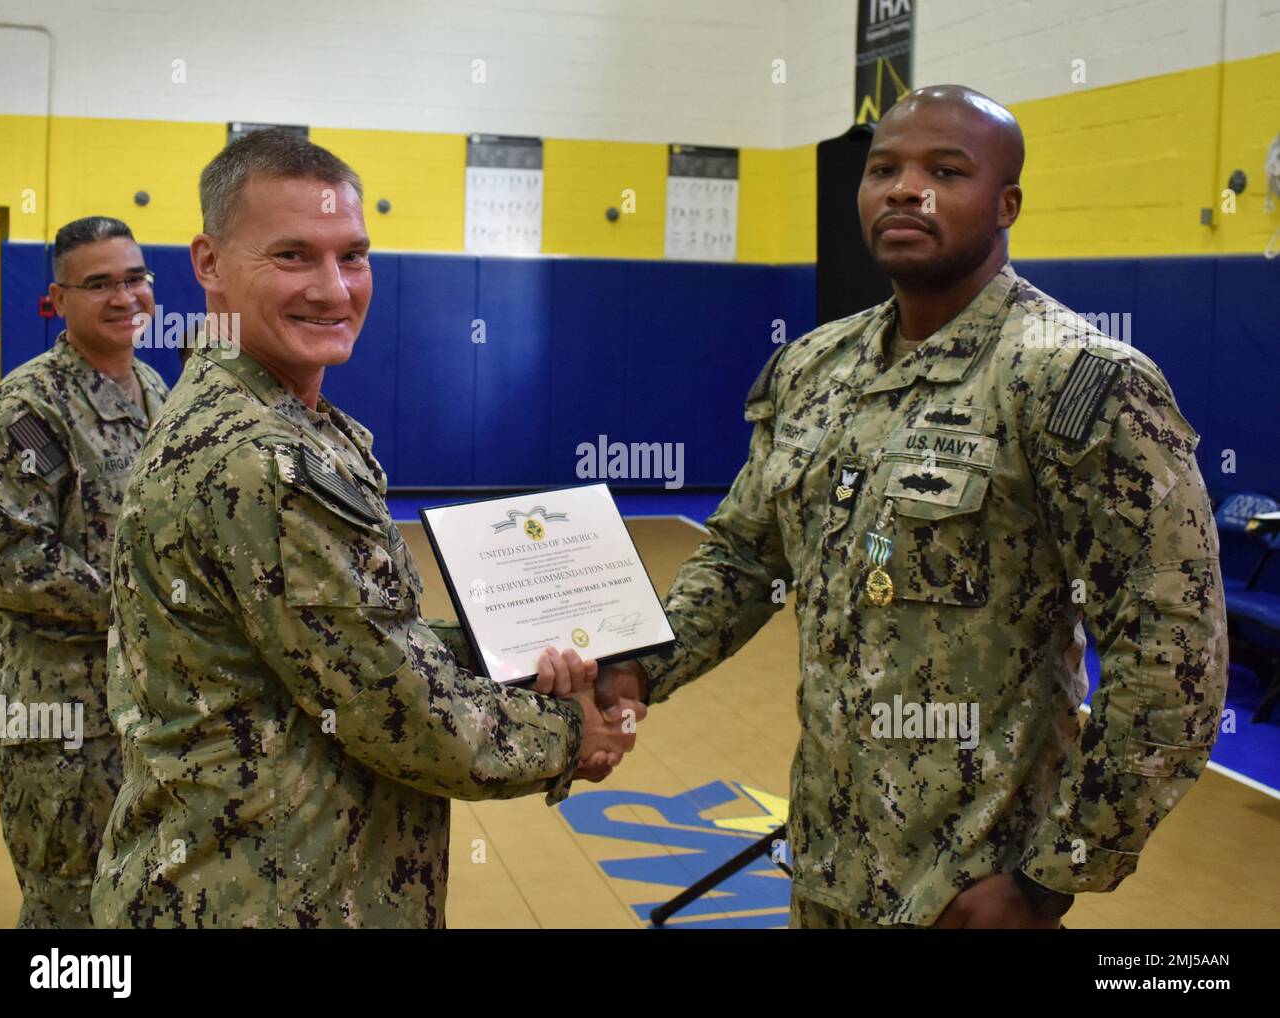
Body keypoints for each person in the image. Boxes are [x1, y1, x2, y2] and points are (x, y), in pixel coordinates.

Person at [595, 85, 1228, 929]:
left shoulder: (1077, 381)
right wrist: (639, 666)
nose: (904, 189)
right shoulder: (813, 369)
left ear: (1007, 204)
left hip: (971, 888)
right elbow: (745, 558)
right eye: (884, 168)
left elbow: (1173, 649)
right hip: (824, 862)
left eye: (945, 170)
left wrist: (1052, 876)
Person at [91, 129, 640, 929]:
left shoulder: (277, 422)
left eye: (352, 255)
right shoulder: (263, 460)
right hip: (265, 897)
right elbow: (398, 714)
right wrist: (571, 728)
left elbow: (358, 640)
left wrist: (515, 660)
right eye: (292, 256)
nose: (334, 288)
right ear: (208, 263)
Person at [0, 216, 170, 927]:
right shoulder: (30, 410)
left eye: (135, 278)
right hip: (64, 720)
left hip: (144, 706)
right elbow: (12, 561)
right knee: (70, 906)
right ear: (57, 299)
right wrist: (149, 604)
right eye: (99, 284)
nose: (125, 297)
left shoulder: (151, 385)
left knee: (134, 893)